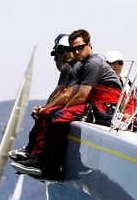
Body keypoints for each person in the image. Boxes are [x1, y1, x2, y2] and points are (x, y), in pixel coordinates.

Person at [13, 29, 121, 178]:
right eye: (73, 48)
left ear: (89, 45)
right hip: (94, 104)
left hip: (106, 109)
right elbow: (70, 93)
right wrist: (46, 109)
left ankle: (50, 166)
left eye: (80, 47)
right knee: (51, 114)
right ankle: (35, 157)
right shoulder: (82, 65)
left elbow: (80, 96)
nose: (76, 52)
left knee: (58, 117)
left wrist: (50, 109)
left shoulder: (92, 64)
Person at [10, 34, 74, 164]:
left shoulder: (71, 67)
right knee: (47, 114)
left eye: (68, 49)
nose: (63, 55)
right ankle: (32, 151)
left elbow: (65, 94)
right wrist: (44, 108)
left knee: (51, 115)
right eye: (60, 52)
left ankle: (37, 156)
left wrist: (45, 109)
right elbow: (58, 91)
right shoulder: (69, 68)